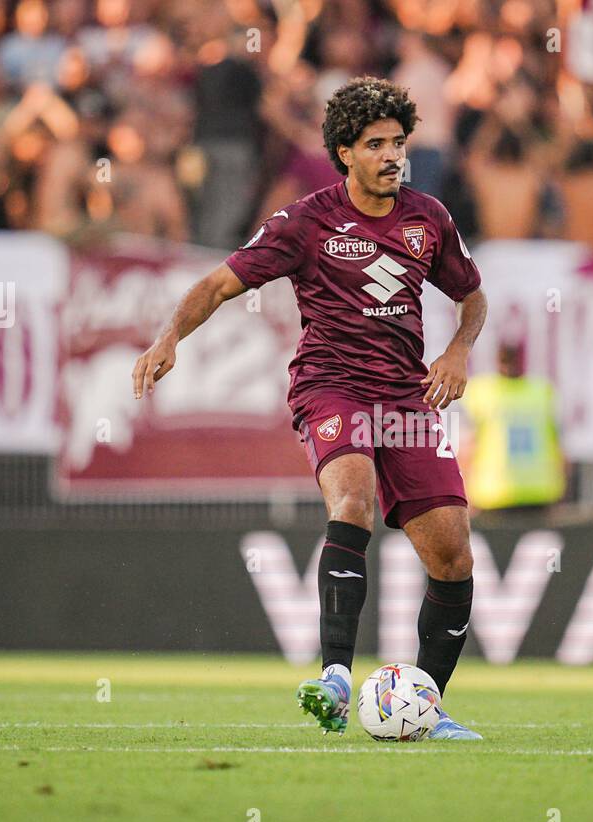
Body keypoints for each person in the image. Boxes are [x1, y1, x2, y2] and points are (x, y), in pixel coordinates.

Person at [131, 77, 488, 740]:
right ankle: (333, 677)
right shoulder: (306, 222)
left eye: (398, 143)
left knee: (454, 557)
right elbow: (218, 283)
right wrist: (169, 336)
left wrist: (459, 351)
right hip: (332, 385)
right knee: (350, 498)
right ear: (345, 152)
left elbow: (472, 297)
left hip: (406, 397)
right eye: (376, 144)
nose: (392, 155)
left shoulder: (429, 219)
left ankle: (427, 706)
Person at [460, 341, 565, 516]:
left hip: (497, 494)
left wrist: (463, 494)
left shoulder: (482, 392)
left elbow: (467, 448)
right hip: (532, 493)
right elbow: (558, 448)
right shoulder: (541, 391)